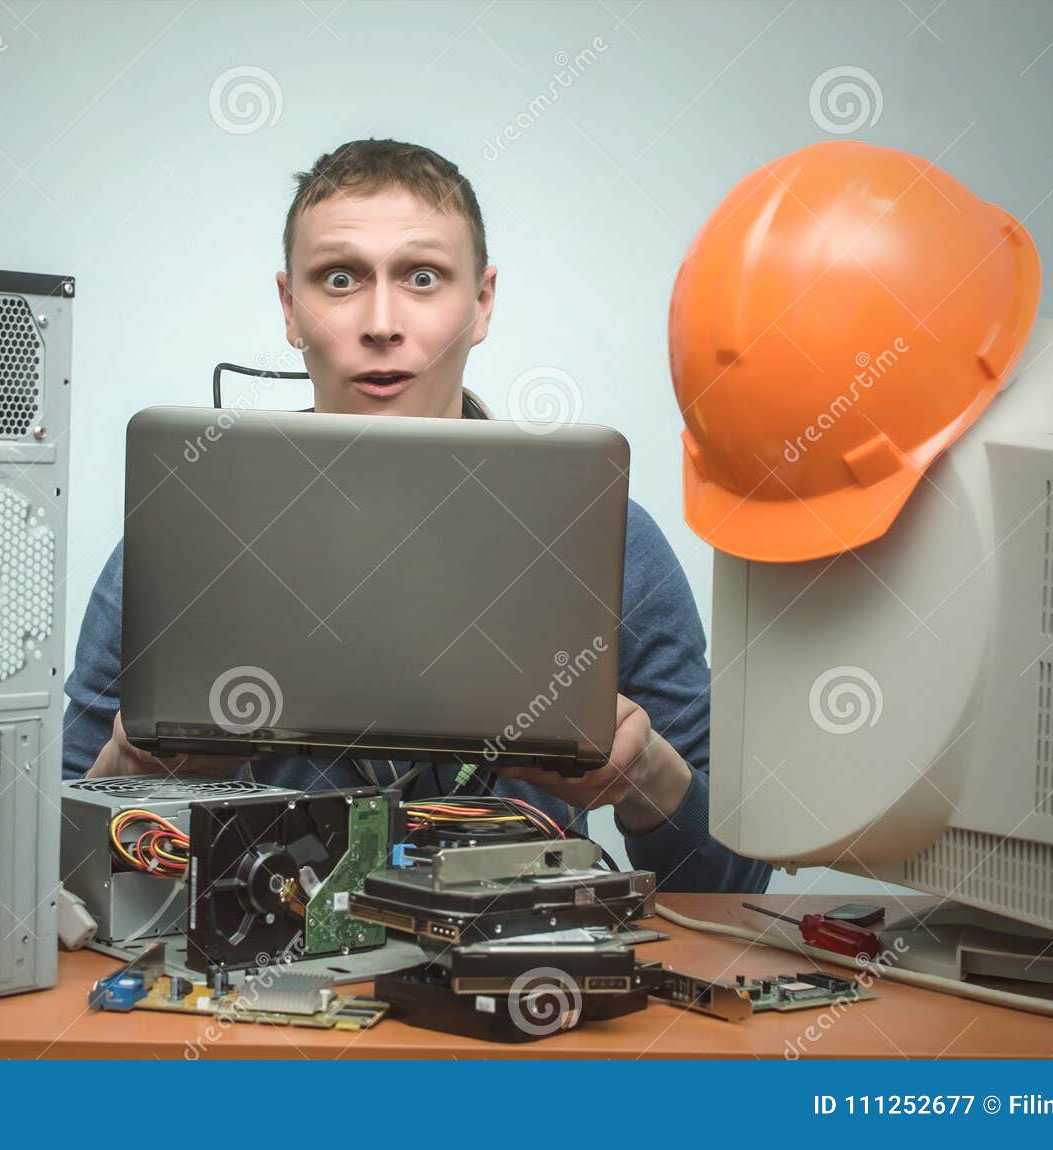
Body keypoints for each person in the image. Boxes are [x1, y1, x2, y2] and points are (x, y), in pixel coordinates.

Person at [63, 138, 770, 894]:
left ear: (482, 302)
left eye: (422, 277)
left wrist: (648, 778)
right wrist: (129, 770)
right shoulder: (184, 533)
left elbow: (734, 883)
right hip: (253, 960)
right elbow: (53, 877)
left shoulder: (608, 538)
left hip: (517, 962)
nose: (381, 322)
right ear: (291, 308)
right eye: (340, 278)